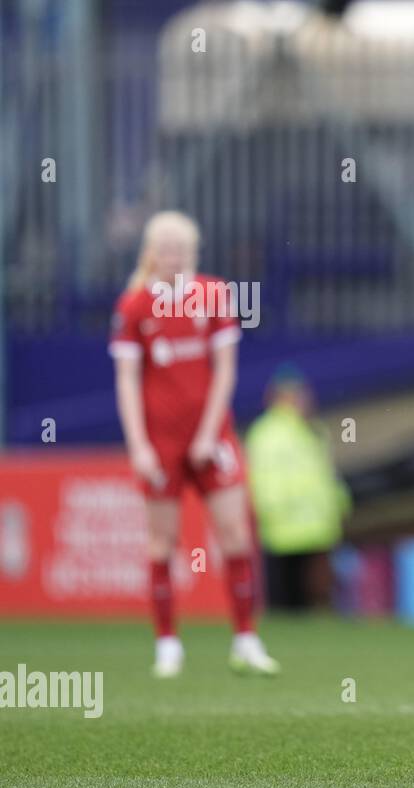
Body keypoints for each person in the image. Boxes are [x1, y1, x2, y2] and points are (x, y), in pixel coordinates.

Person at [110, 211, 280, 678]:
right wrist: (139, 445)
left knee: (235, 535)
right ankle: (167, 645)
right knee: (161, 544)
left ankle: (245, 639)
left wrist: (208, 434)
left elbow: (224, 370)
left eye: (181, 249)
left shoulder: (214, 294)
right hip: (160, 441)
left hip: (212, 437)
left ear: (193, 251)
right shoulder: (134, 306)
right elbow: (127, 382)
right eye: (165, 249)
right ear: (150, 252)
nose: (174, 257)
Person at [245, 365, 351, 610]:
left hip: (316, 529)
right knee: (286, 602)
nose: (305, 399)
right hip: (283, 531)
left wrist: (340, 505)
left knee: (314, 600)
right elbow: (262, 481)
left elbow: (325, 477)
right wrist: (266, 513)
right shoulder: (267, 433)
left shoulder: (314, 430)